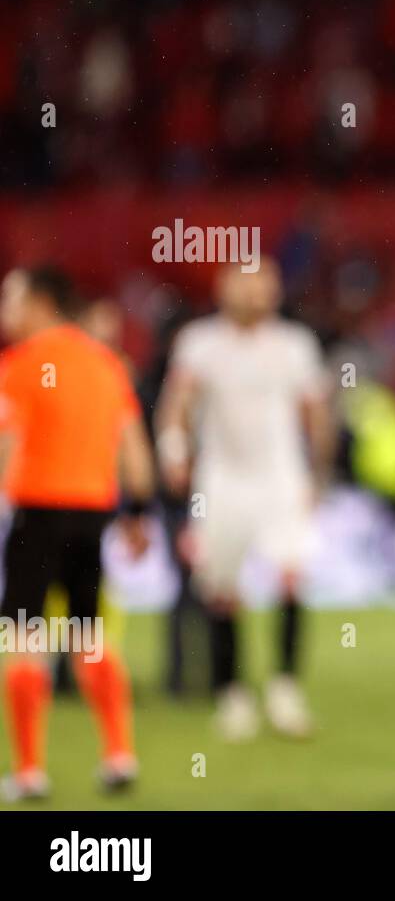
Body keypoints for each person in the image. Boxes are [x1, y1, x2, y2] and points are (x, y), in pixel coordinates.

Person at [154, 258, 333, 741]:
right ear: (224, 288)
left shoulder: (294, 345)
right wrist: (173, 450)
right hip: (222, 480)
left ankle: (284, 688)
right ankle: (231, 693)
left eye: (265, 285)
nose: (257, 294)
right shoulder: (201, 342)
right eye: (247, 285)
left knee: (291, 580)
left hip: (281, 478)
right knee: (220, 589)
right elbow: (177, 402)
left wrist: (318, 473)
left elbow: (315, 412)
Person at [0, 265, 154, 801]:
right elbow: (134, 447)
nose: (6, 313)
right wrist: (138, 513)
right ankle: (118, 754)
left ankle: (29, 771)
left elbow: (6, 443)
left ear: (40, 302)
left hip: (36, 512)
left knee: (24, 638)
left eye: (11, 301)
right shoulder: (107, 365)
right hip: (92, 515)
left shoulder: (19, 367)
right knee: (89, 636)